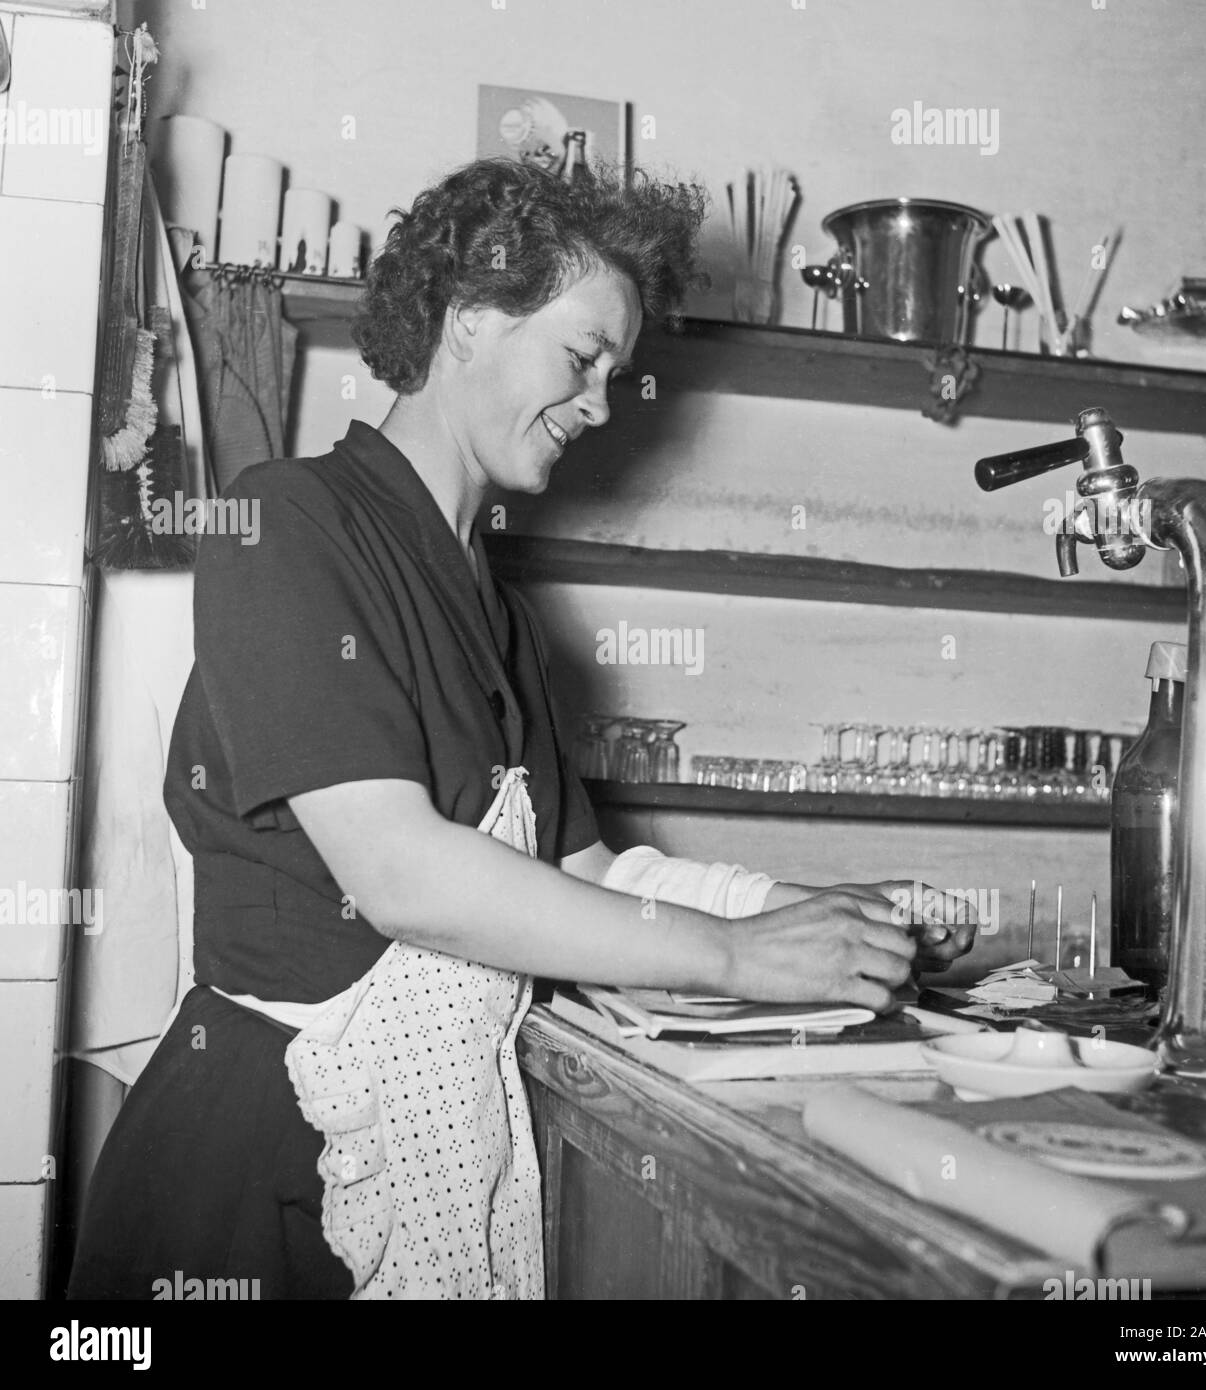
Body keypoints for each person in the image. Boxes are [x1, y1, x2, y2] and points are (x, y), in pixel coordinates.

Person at [69, 158, 975, 1301]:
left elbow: (592, 872)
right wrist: (738, 954)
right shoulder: (288, 525)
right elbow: (401, 872)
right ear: (467, 321)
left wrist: (801, 912)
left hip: (431, 1146)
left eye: (616, 373)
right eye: (582, 357)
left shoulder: (500, 615)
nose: (601, 404)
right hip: (262, 1176)